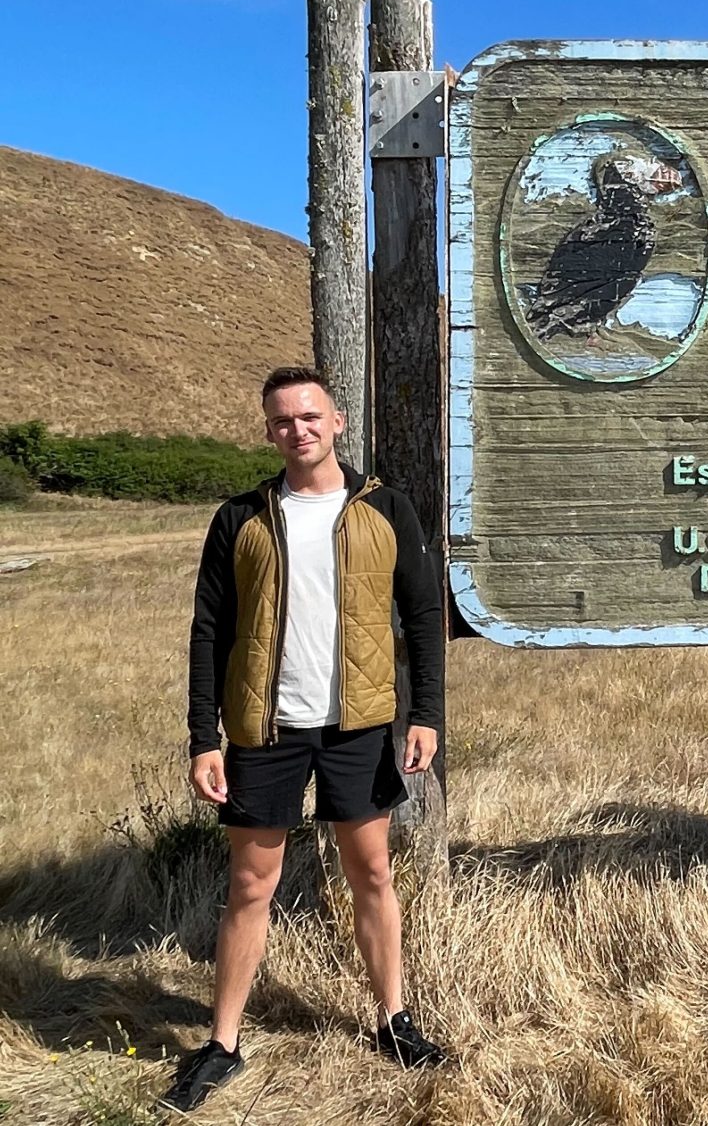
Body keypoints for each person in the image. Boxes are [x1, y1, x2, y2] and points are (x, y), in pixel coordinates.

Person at [161, 366, 448, 1113]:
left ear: (338, 420)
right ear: (269, 431)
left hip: (356, 728)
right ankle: (222, 1043)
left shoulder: (385, 507)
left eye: (310, 416)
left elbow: (422, 618)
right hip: (265, 729)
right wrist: (204, 736)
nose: (299, 429)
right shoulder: (241, 518)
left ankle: (392, 1021)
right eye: (284, 420)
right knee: (251, 886)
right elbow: (208, 633)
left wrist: (426, 715)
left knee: (373, 875)